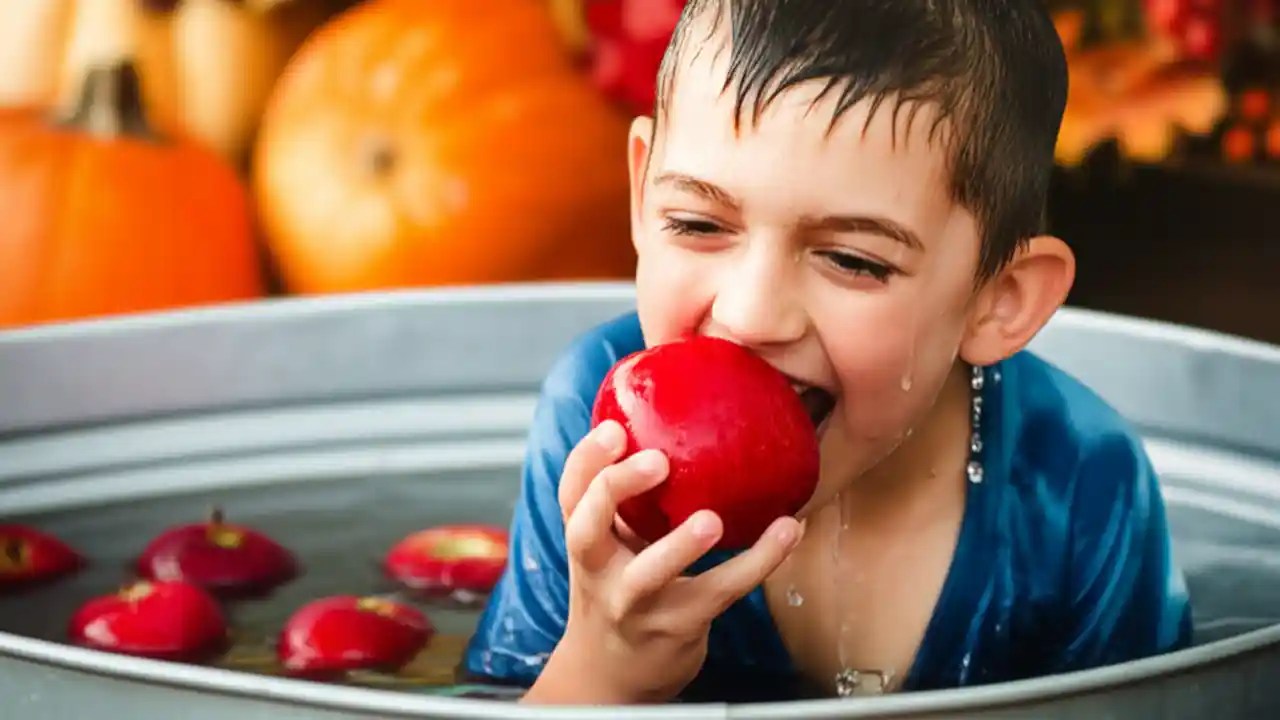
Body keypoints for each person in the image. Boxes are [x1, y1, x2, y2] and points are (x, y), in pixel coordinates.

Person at [462, 0, 1193, 704]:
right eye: (696, 223)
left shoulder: (1079, 491)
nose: (748, 316)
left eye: (852, 260)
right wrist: (598, 671)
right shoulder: (604, 434)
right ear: (641, 193)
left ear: (997, 301)